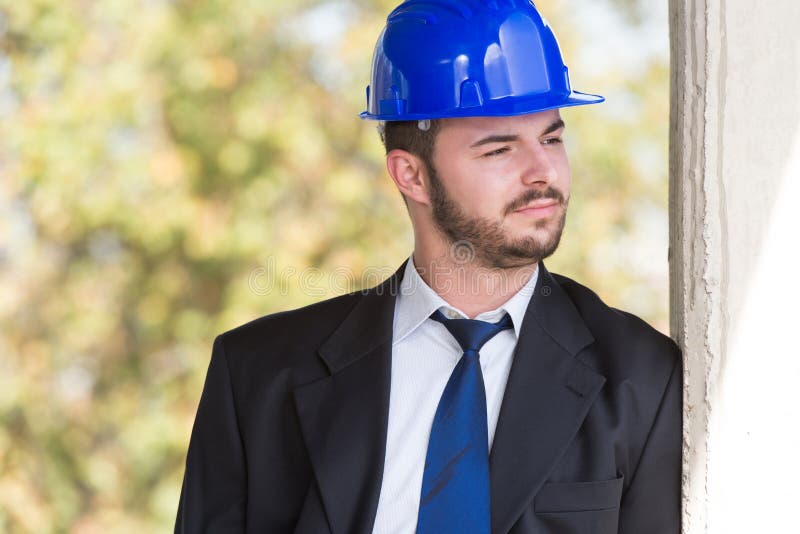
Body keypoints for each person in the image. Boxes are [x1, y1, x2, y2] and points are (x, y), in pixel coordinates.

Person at [175, 1, 682, 533]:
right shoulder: (257, 376)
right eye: (498, 150)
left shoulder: (639, 376)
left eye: (551, 138)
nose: (543, 171)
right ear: (411, 175)